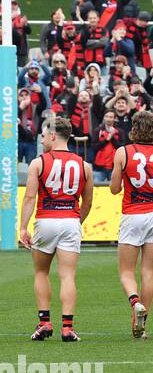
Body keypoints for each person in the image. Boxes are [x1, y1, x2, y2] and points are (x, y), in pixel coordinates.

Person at [21, 117, 94, 342]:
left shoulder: (38, 163)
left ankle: (44, 323)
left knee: (41, 272)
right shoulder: (84, 165)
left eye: (44, 136)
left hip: (45, 220)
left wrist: (23, 227)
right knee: (68, 275)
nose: (42, 140)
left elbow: (30, 196)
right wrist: (75, 221)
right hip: (70, 220)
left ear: (53, 135)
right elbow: (88, 202)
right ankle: (67, 328)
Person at [109, 111, 153, 339]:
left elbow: (114, 189)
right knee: (148, 271)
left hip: (132, 214)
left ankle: (134, 301)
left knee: (127, 271)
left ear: (135, 129)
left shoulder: (122, 152)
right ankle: (141, 327)